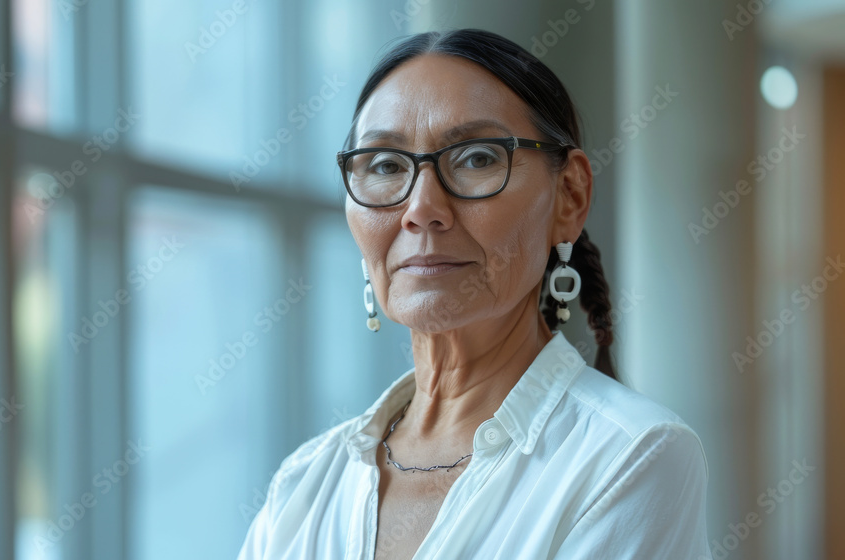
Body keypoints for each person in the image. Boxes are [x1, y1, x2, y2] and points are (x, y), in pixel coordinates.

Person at [237, 28, 710, 559]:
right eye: (386, 165)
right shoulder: (304, 483)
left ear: (569, 197)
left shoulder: (631, 456)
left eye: (477, 158)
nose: (421, 209)